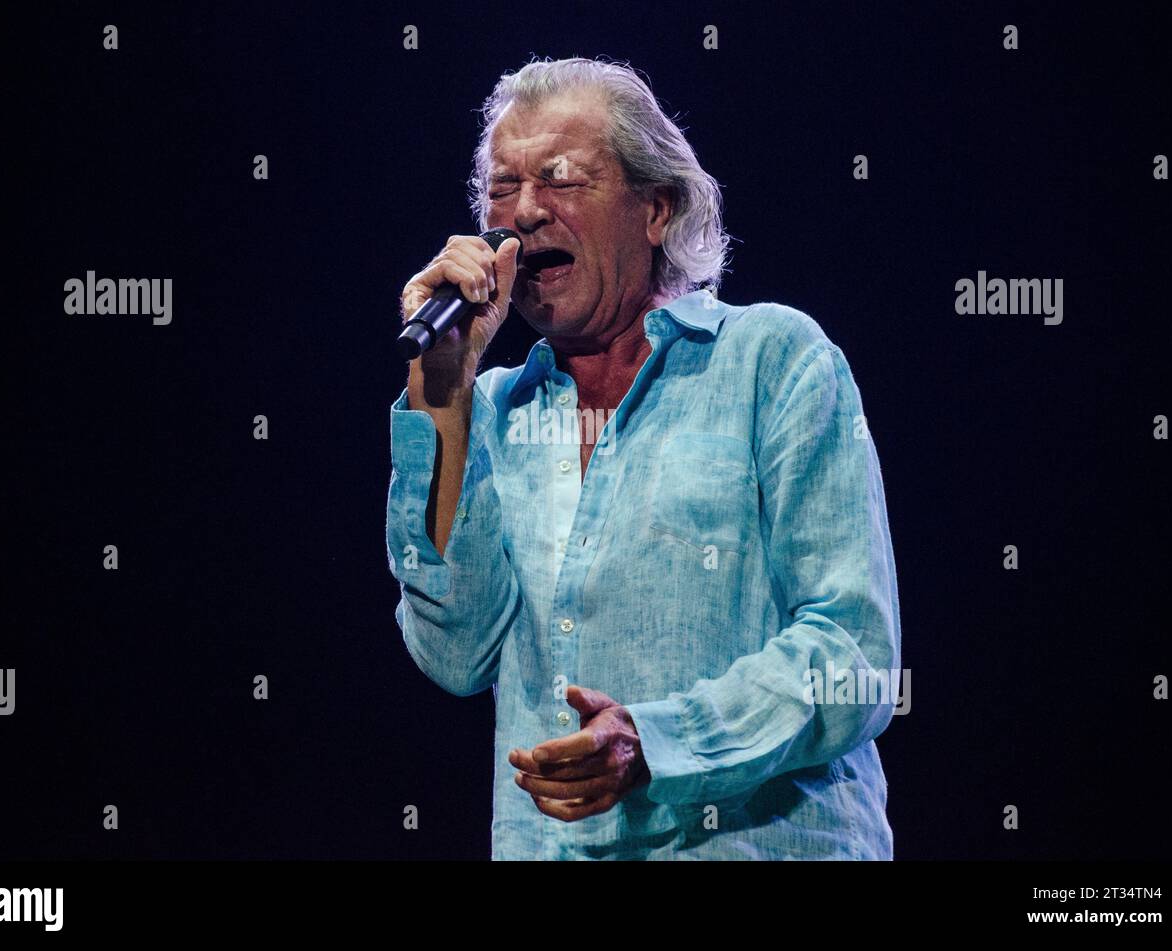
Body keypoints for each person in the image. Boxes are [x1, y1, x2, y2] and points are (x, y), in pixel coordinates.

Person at [386, 56, 902, 860]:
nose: (523, 213)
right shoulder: (486, 415)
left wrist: (658, 741)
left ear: (656, 208)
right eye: (500, 187)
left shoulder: (772, 361)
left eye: (560, 180)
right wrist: (443, 391)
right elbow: (454, 655)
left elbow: (854, 655)